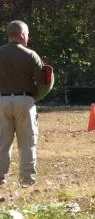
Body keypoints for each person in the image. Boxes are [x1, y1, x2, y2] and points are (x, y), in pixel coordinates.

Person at [0, 20, 45, 186]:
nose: (28, 38)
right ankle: (27, 180)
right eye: (27, 34)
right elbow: (43, 82)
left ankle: (0, 178)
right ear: (21, 34)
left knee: (2, 143)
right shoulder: (30, 54)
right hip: (25, 101)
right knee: (27, 143)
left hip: (1, 101)